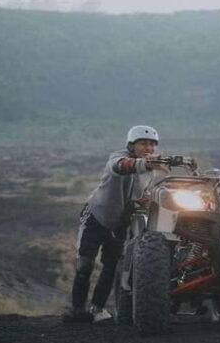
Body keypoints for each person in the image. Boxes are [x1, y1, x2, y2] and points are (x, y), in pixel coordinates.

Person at [63, 125, 165, 323]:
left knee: (112, 267)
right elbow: (121, 167)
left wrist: (147, 200)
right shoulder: (117, 158)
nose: (148, 148)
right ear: (131, 145)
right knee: (85, 265)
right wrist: (147, 163)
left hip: (119, 222)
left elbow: (141, 195)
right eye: (143, 143)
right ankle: (76, 310)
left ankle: (97, 309)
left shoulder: (150, 172)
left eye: (152, 145)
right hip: (96, 217)